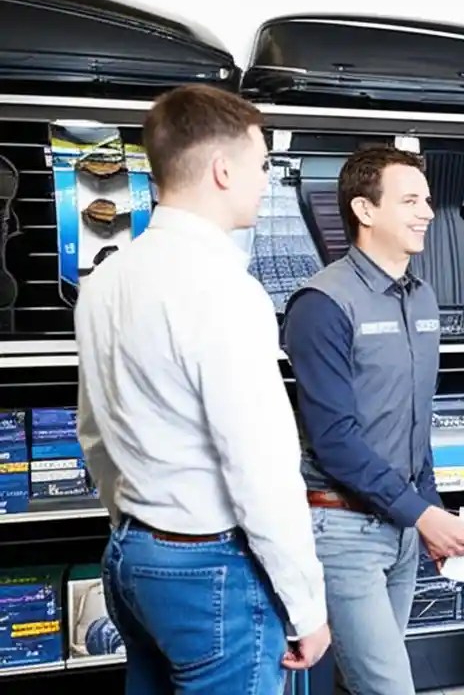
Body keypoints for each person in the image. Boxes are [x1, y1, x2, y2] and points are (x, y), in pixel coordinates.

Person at [75, 84, 332, 694]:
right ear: (222, 169)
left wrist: (139, 522)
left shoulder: (106, 278)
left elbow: (94, 432)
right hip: (210, 568)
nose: (265, 182)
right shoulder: (225, 289)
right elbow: (259, 467)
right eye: (262, 165)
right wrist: (307, 607)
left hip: (133, 555)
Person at [282, 145, 464, 695]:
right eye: (410, 200)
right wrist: (422, 515)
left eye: (427, 200)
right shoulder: (322, 304)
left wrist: (430, 513)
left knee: (361, 683)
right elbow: (334, 440)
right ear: (364, 209)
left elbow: (416, 421)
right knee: (387, 687)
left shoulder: (423, 299)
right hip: (343, 528)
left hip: (402, 526)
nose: (428, 212)